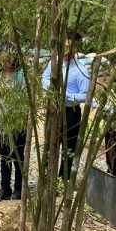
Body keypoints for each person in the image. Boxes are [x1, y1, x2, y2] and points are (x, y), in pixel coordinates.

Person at [41, 31, 90, 178]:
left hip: (71, 112)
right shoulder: (54, 62)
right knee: (50, 145)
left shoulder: (81, 69)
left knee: (68, 148)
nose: (66, 49)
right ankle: (48, 179)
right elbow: (44, 77)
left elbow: (85, 95)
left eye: (70, 46)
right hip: (54, 110)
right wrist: (51, 89)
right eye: (64, 45)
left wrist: (64, 95)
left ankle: (63, 181)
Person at [0, 52, 26, 202]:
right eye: (4, 57)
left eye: (10, 57)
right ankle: (5, 188)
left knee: (18, 155)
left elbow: (26, 99)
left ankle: (19, 188)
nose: (7, 60)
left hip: (17, 120)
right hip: (1, 119)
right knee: (4, 156)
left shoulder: (21, 76)